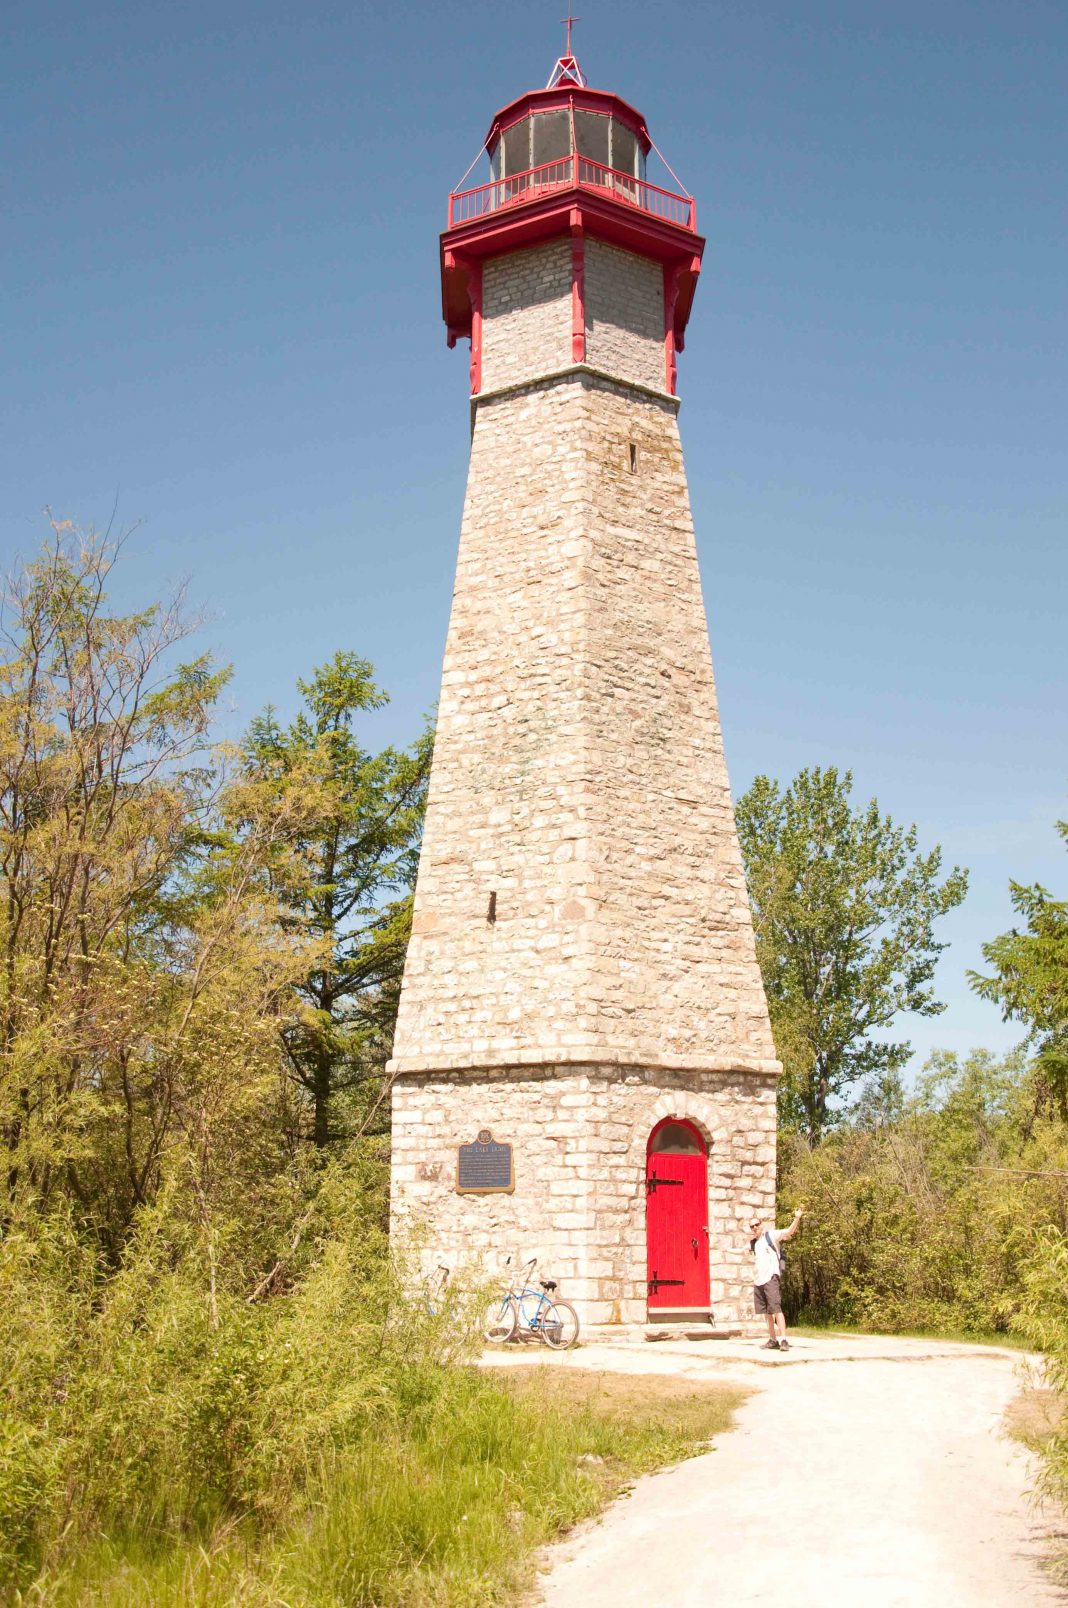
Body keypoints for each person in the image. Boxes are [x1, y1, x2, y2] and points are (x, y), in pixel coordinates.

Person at [749, 1207, 804, 1351]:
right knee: (767, 1313)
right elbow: (741, 1252)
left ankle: (784, 1339)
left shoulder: (771, 1236)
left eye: (756, 1224)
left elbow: (789, 1231)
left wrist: (797, 1218)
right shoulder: (754, 1243)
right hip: (759, 1280)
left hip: (771, 1277)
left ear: (761, 1225)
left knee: (776, 1309)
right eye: (752, 1226)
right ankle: (772, 1339)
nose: (755, 1228)